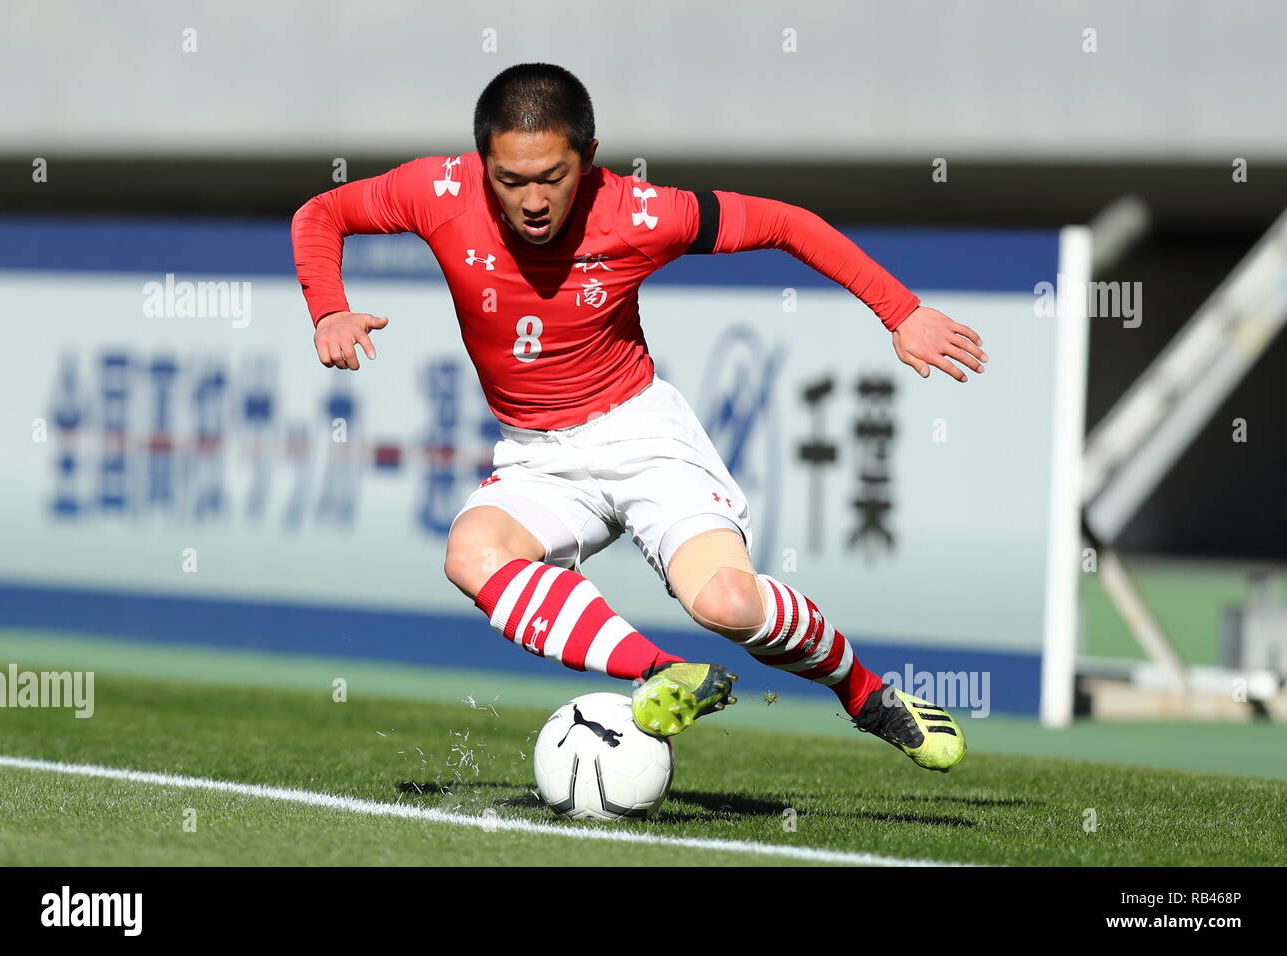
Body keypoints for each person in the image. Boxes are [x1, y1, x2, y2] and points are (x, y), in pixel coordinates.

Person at [292, 63, 985, 771]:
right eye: (510, 179)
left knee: (726, 604)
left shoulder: (642, 213)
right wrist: (329, 305)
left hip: (642, 435)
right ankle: (661, 672)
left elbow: (785, 223)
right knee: (470, 554)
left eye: (552, 176)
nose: (532, 200)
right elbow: (320, 213)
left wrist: (901, 311)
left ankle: (865, 694)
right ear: (481, 164)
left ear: (588, 160)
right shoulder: (435, 190)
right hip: (537, 456)